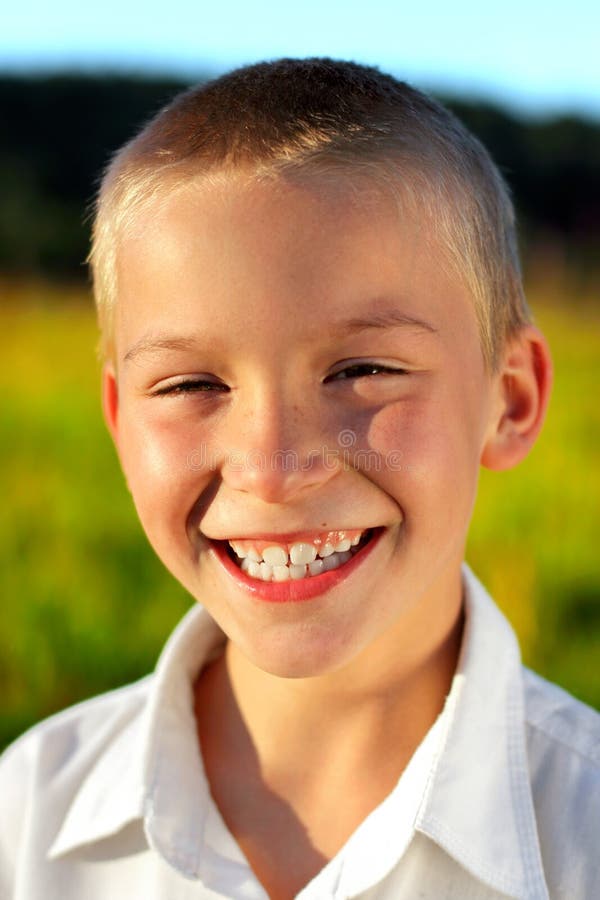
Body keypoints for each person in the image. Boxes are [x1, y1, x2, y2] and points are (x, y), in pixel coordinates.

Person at [0, 58, 598, 900]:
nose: (273, 469)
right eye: (192, 385)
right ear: (122, 423)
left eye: (360, 368)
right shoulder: (26, 819)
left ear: (509, 400)